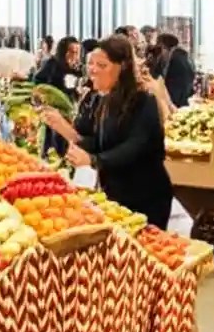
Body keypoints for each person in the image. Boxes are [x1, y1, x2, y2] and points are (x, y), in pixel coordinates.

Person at [39, 35, 173, 228]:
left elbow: (134, 147)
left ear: (123, 67)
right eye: (91, 64)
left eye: (102, 65)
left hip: (145, 196)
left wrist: (94, 161)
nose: (93, 70)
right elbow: (101, 143)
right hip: (116, 195)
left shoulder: (143, 100)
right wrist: (66, 131)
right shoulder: (105, 100)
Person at [32, 37, 82, 157]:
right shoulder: (52, 64)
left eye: (77, 52)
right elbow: (38, 81)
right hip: (54, 109)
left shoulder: (77, 68)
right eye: (72, 52)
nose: (75, 56)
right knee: (54, 138)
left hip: (70, 110)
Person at [156, 33, 195, 108]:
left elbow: (175, 87)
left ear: (164, 47)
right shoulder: (182, 56)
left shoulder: (176, 61)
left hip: (178, 103)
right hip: (184, 100)